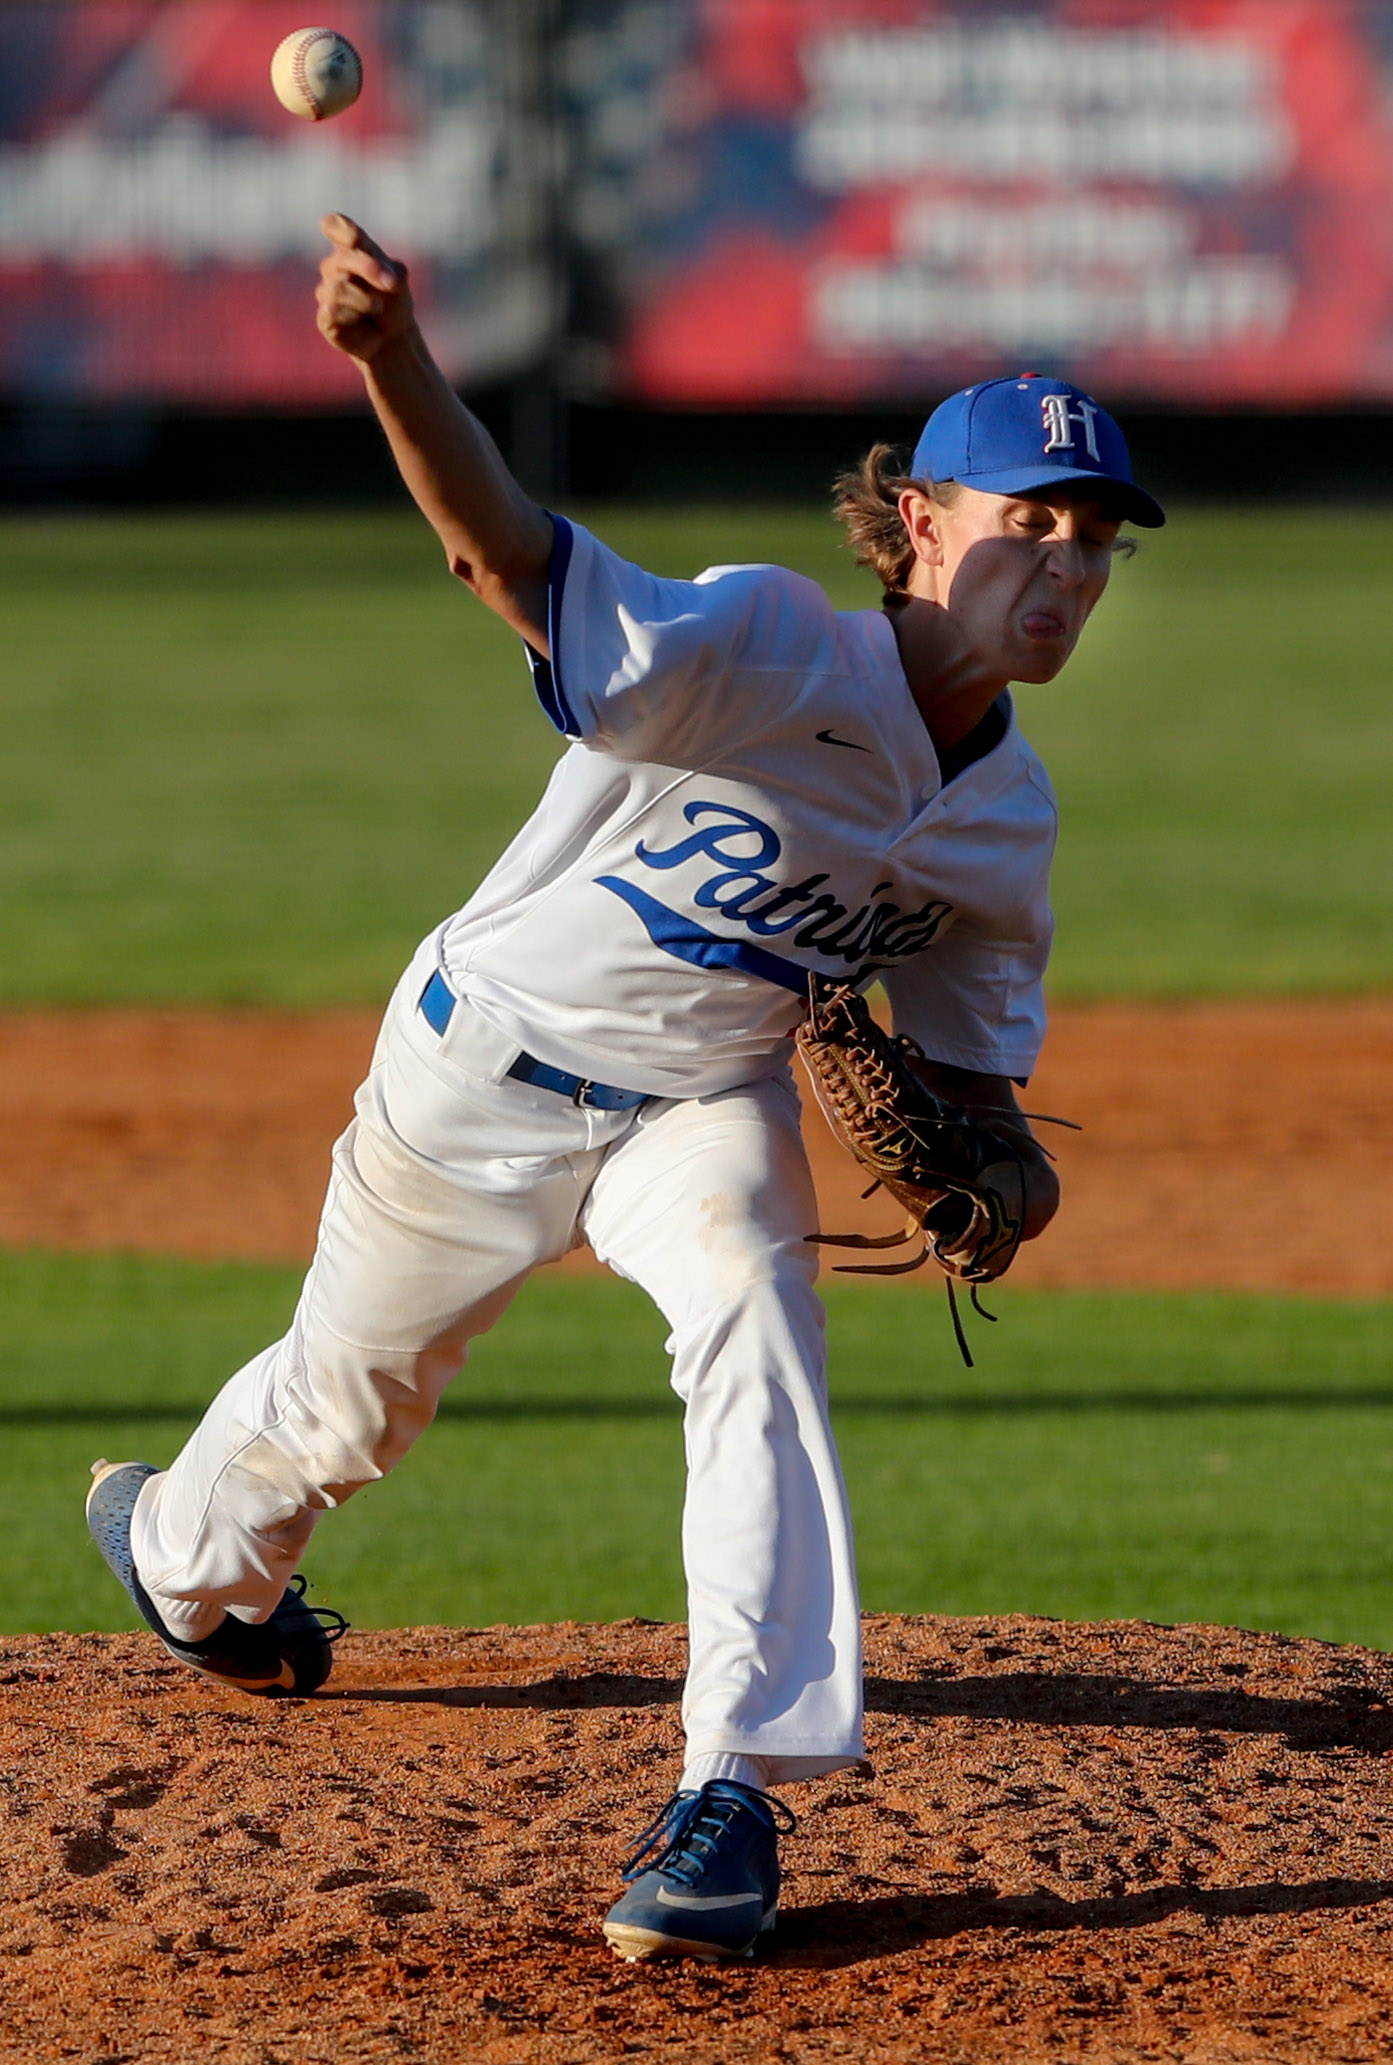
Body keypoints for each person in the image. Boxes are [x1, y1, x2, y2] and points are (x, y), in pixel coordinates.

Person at [86, 213, 1164, 1964]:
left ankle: (732, 1783)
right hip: (478, 1074)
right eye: (1023, 524)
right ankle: (187, 1555)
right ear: (917, 527)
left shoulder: (1004, 827)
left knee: (756, 1306)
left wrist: (997, 1187)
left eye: (1094, 541)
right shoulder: (761, 646)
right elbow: (508, 563)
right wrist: (390, 362)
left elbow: (981, 1098)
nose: (1060, 567)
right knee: (341, 1420)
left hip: (701, 1103)